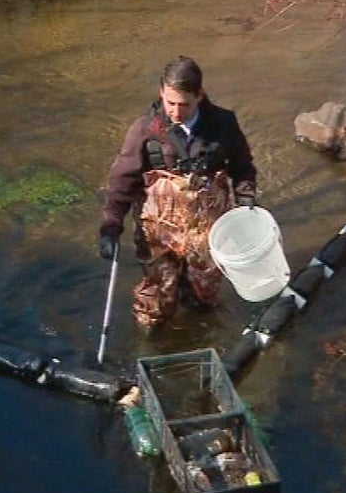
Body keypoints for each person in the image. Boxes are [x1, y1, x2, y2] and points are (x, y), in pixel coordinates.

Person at [98, 56, 258, 328]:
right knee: (158, 295)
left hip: (207, 229)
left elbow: (243, 168)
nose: (175, 111)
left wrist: (247, 205)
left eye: (184, 104)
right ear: (161, 92)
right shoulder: (145, 131)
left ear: (200, 95)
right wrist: (110, 227)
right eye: (169, 102)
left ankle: (201, 327)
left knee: (203, 292)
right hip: (158, 230)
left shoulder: (223, 124)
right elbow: (121, 182)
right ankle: (153, 338)